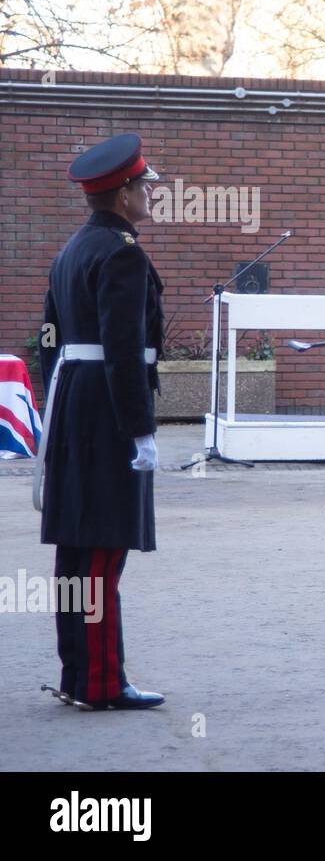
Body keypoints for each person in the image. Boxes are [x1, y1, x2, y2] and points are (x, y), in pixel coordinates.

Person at [36, 132, 166, 711]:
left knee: (76, 550)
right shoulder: (122, 253)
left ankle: (78, 675)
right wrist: (139, 428)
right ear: (122, 193)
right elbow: (123, 349)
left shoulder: (72, 251)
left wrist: (57, 404)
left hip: (74, 402)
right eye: (145, 187)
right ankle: (101, 683)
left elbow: (48, 343)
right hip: (107, 410)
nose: (150, 197)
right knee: (101, 551)